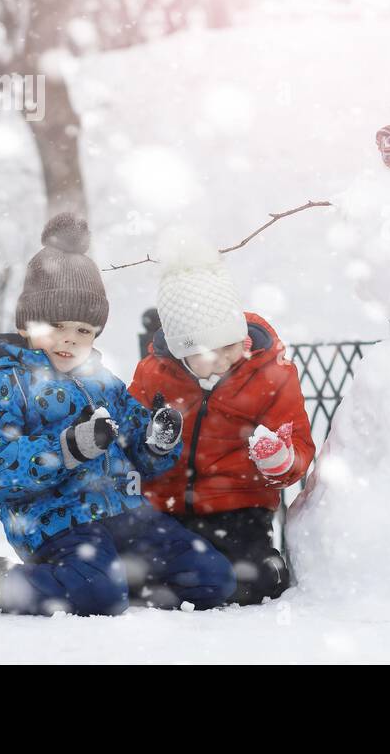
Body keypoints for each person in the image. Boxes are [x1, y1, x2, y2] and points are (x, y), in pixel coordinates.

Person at [0, 213, 236, 617]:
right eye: (57, 325)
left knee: (213, 578)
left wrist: (157, 440)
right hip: (56, 522)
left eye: (84, 330)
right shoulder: (4, 383)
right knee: (97, 597)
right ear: (27, 323)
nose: (71, 338)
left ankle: (109, 582)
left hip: (124, 513)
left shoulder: (102, 381)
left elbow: (142, 451)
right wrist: (68, 448)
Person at [129, 236, 314, 606]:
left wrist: (278, 460)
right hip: (166, 507)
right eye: (208, 353)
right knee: (138, 573)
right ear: (182, 350)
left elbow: (298, 450)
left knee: (249, 582)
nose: (226, 358)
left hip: (239, 506)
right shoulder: (155, 374)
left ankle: (250, 572)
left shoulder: (270, 372)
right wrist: (150, 444)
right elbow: (129, 442)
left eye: (231, 344)